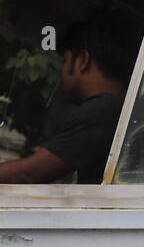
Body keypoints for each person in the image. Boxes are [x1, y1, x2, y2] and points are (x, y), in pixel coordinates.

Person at [0, 16, 133, 185]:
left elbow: (29, 173)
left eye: (64, 61)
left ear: (83, 60)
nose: (61, 73)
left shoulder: (99, 112)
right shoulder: (127, 108)